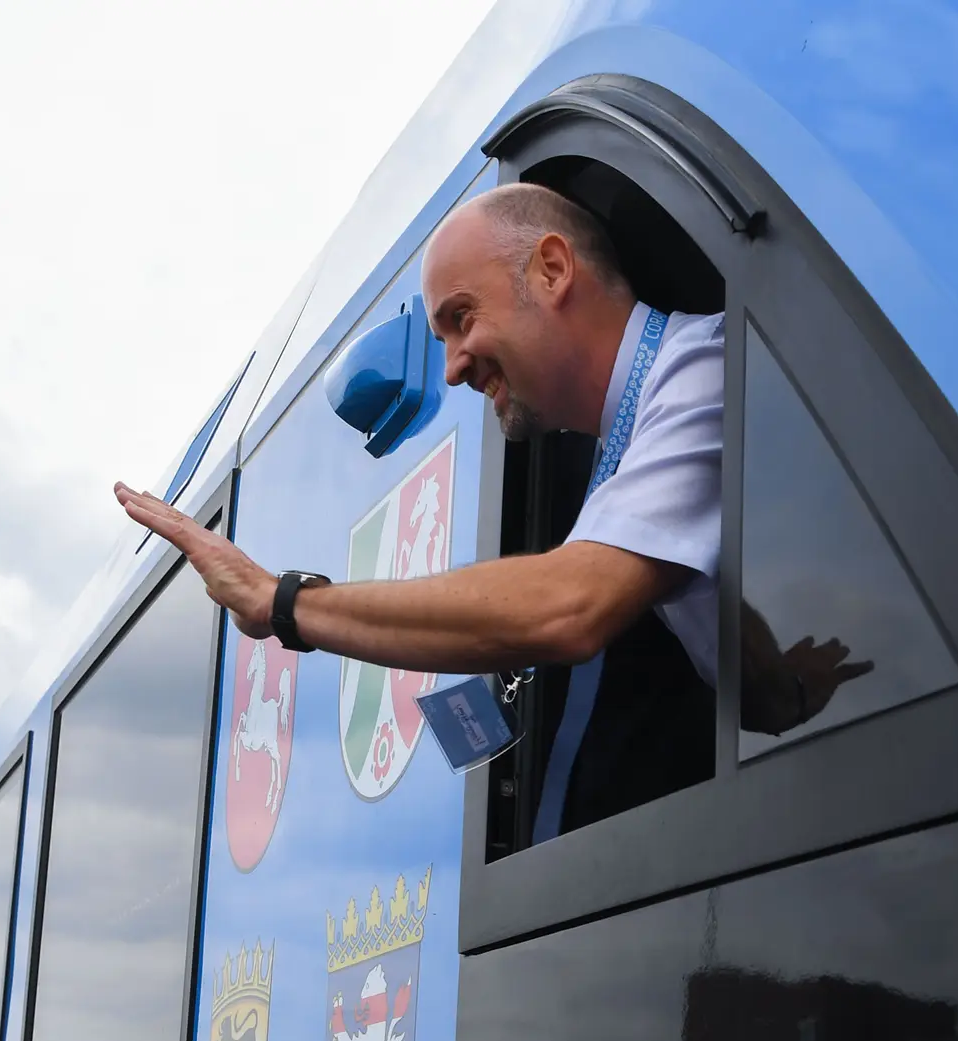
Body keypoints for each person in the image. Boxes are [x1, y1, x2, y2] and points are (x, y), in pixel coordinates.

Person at [118, 182, 862, 836]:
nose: (452, 366)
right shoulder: (625, 452)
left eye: (462, 318)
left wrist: (281, 603)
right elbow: (755, 700)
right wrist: (783, 685)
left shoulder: (704, 369)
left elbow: (569, 607)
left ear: (552, 269)